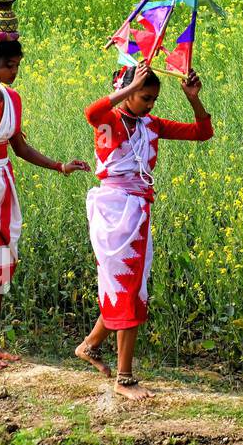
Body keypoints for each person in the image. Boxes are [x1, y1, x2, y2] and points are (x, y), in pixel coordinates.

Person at [0, 0, 88, 370]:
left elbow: (20, 147)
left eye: (16, 64)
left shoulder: (12, 99)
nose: (14, 71)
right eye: (9, 66)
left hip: (2, 183)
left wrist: (60, 166)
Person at [75, 59, 213, 398]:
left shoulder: (152, 125)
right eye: (144, 97)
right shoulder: (109, 121)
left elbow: (202, 132)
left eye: (153, 99)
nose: (150, 105)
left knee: (131, 286)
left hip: (138, 210)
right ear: (127, 93)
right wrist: (130, 88)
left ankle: (90, 346)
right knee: (125, 285)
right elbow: (91, 112)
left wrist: (193, 98)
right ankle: (124, 378)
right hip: (113, 211)